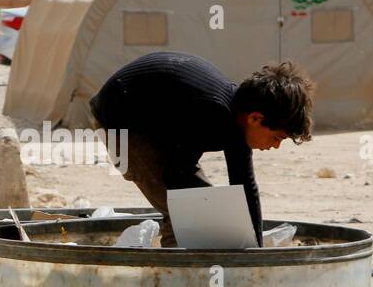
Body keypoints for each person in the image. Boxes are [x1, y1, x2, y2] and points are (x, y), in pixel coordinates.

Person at [88, 51, 314, 247]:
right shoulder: (212, 114)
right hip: (121, 122)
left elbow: (245, 186)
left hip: (157, 124)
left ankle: (196, 267)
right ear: (256, 118)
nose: (275, 146)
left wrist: (255, 250)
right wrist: (201, 217)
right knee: (187, 215)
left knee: (205, 212)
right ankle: (178, 277)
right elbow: (174, 176)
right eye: (277, 137)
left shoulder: (237, 119)